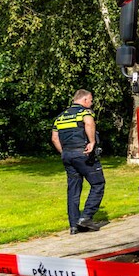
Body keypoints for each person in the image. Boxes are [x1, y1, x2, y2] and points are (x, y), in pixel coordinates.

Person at [51, 89, 105, 233]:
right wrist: (92, 142)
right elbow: (89, 123)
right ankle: (86, 217)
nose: (91, 103)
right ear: (85, 100)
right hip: (84, 153)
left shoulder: (60, 117)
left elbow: (55, 138)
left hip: (67, 155)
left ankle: (74, 226)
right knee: (98, 183)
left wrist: (65, 153)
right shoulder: (84, 112)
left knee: (73, 190)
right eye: (91, 100)